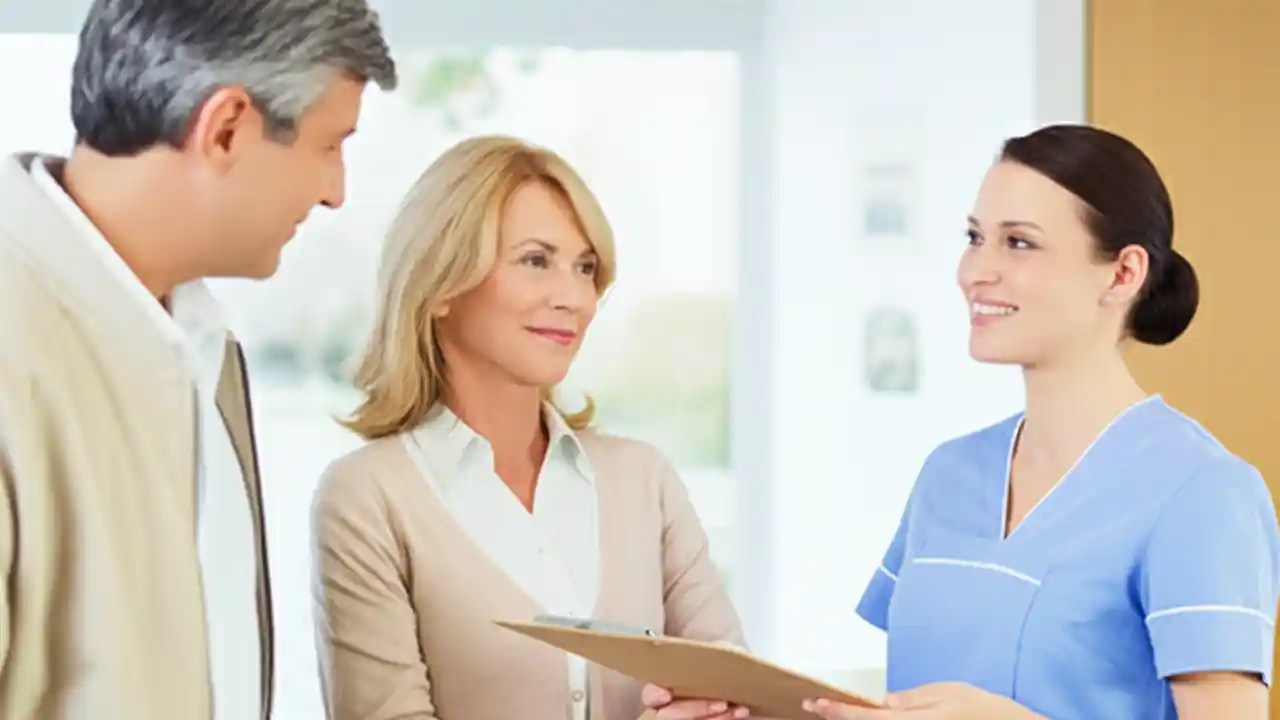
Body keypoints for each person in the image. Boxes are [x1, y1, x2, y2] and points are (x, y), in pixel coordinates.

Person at [803, 124, 1280, 720]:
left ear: (1123, 273)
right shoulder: (948, 473)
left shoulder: (1203, 493)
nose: (977, 269)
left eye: (1019, 243)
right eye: (975, 237)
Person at [0, 1, 396, 717]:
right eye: (329, 145)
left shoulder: (206, 353)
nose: (336, 192)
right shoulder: (14, 345)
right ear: (227, 128)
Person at [311, 135, 745, 720]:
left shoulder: (644, 479)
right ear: (440, 284)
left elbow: (739, 690)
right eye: (536, 261)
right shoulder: (369, 498)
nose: (574, 298)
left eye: (585, 268)